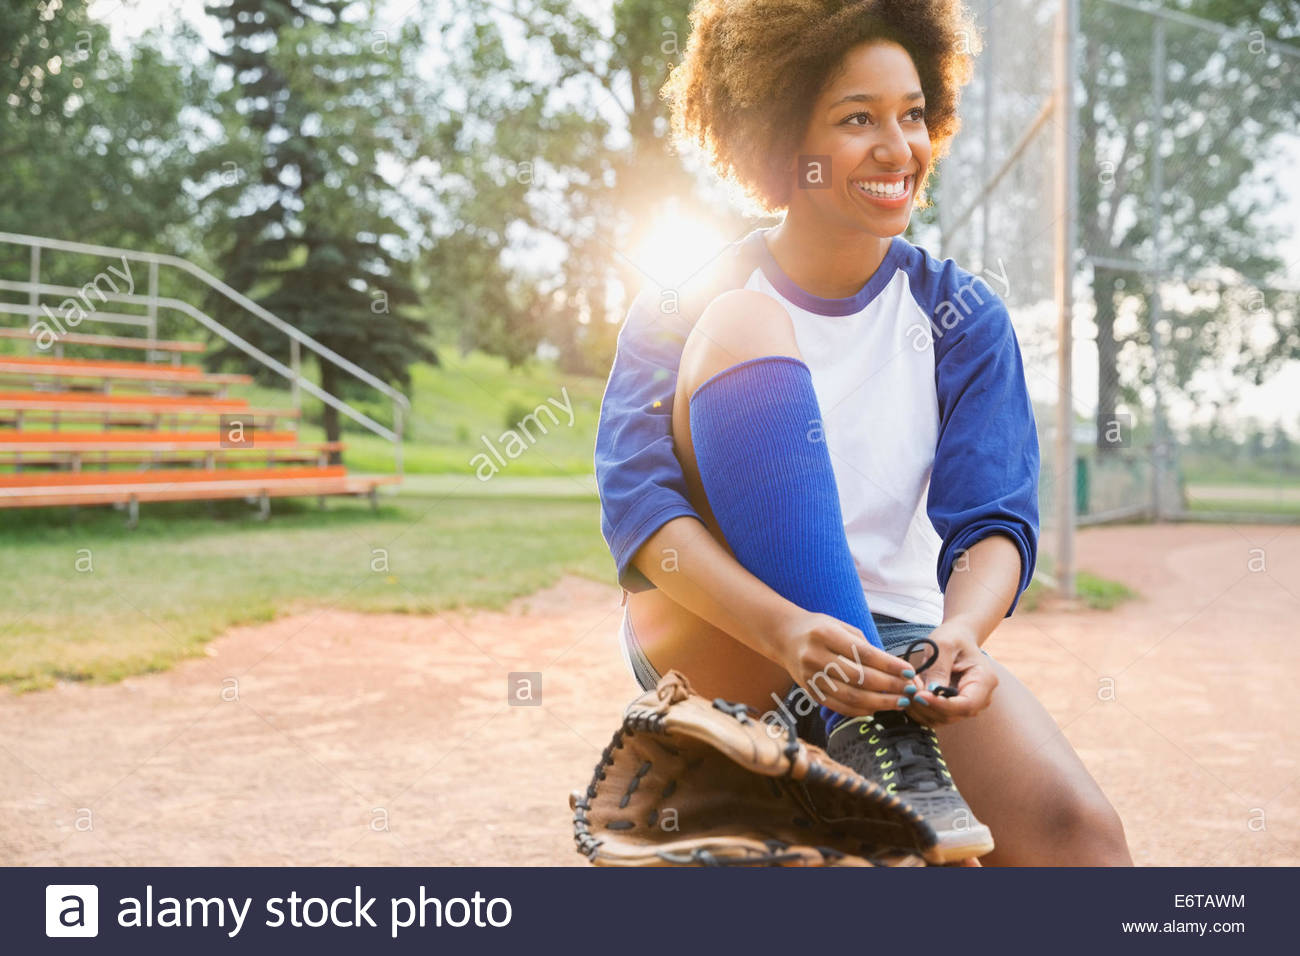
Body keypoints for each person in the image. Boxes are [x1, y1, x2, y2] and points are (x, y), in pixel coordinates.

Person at [593, 0, 1132, 865]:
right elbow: (642, 522)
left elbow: (993, 521)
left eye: (913, 115)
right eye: (857, 120)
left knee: (1080, 841)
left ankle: (840, 778)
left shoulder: (962, 317)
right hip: (725, 625)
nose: (898, 148)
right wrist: (784, 633)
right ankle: (796, 754)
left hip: (892, 649)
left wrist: (960, 634)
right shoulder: (684, 305)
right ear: (783, 144)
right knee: (742, 325)